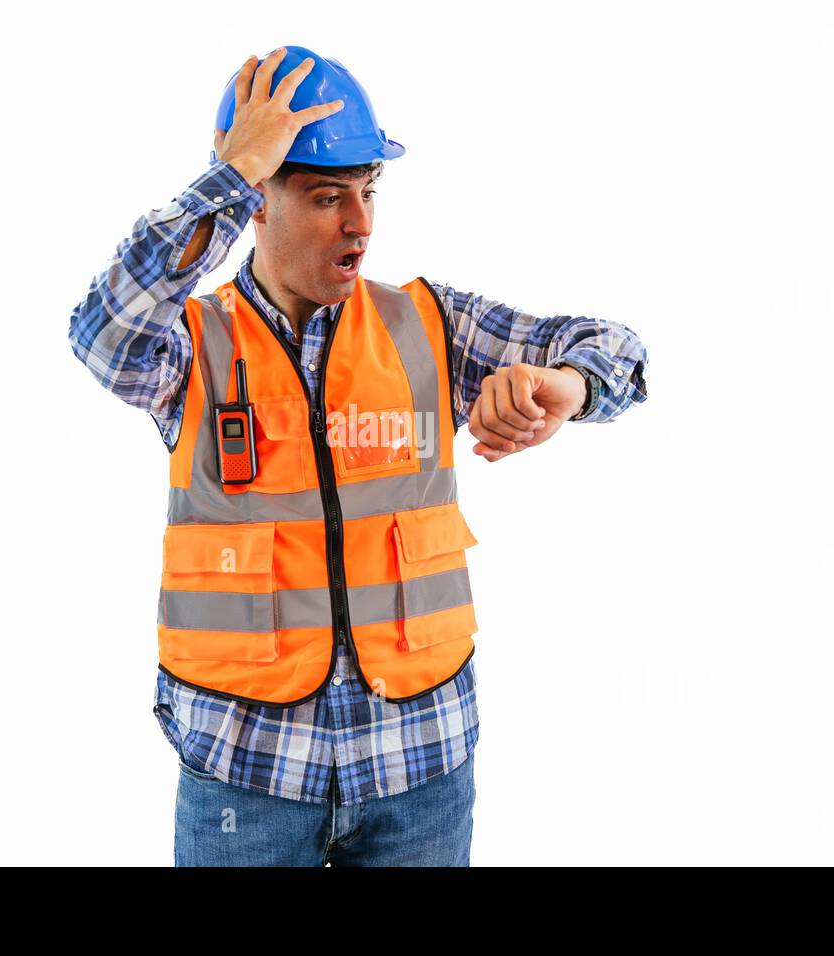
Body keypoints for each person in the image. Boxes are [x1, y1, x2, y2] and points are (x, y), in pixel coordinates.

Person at [68, 45, 649, 867]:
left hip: (420, 766)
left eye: (370, 191)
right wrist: (229, 176)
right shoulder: (190, 348)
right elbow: (101, 332)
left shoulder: (428, 325)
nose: (361, 223)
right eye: (328, 196)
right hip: (247, 772)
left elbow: (619, 350)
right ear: (257, 205)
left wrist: (566, 385)